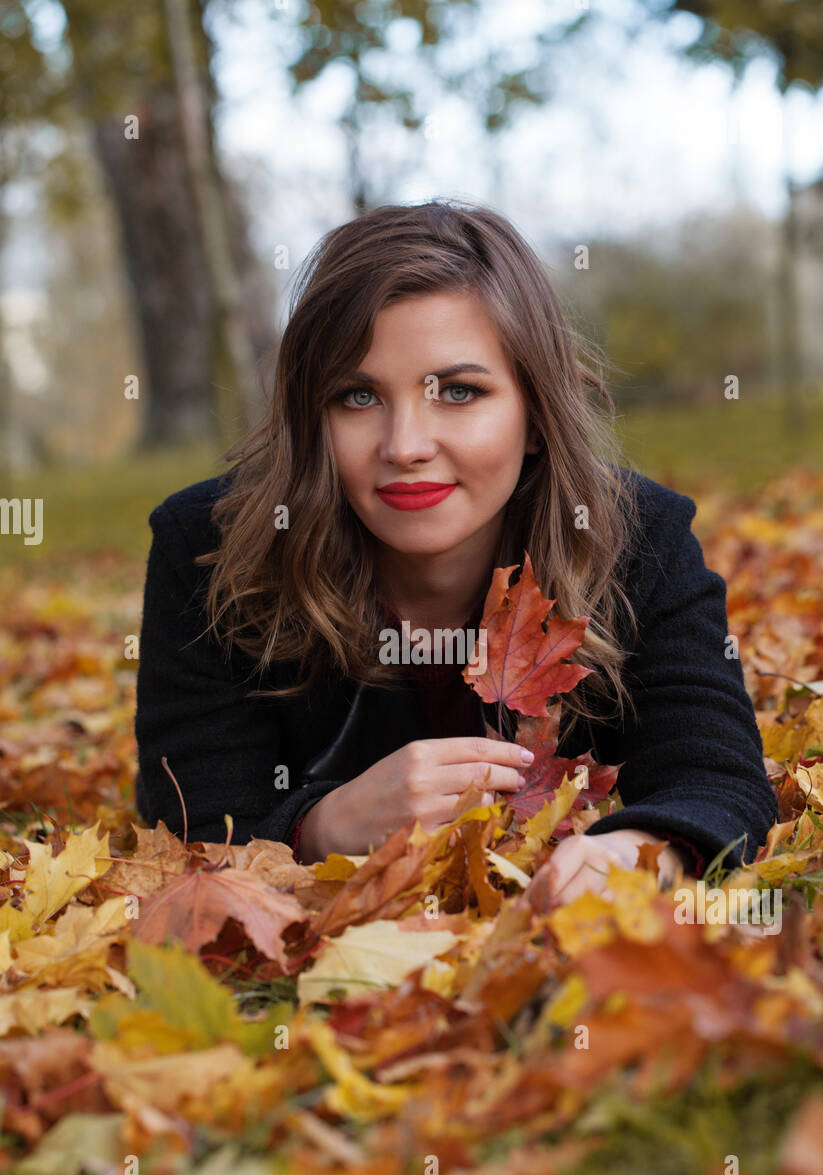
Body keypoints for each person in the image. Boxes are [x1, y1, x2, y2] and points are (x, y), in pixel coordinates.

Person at [134, 199, 778, 910]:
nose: (405, 444)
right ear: (311, 418)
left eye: (459, 391)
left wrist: (633, 853)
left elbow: (718, 780)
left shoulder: (638, 537)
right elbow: (188, 824)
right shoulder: (208, 551)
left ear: (535, 414)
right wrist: (320, 826)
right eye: (356, 396)